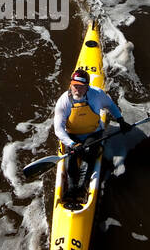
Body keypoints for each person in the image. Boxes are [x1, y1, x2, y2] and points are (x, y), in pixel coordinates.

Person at [54, 68, 129, 201]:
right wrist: (72, 144)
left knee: (90, 150)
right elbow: (59, 129)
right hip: (73, 135)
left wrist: (121, 120)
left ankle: (83, 187)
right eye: (74, 86)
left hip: (93, 133)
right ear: (70, 85)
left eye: (81, 87)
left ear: (87, 87)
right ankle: (72, 188)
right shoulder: (63, 101)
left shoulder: (97, 94)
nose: (77, 89)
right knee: (72, 156)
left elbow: (110, 105)